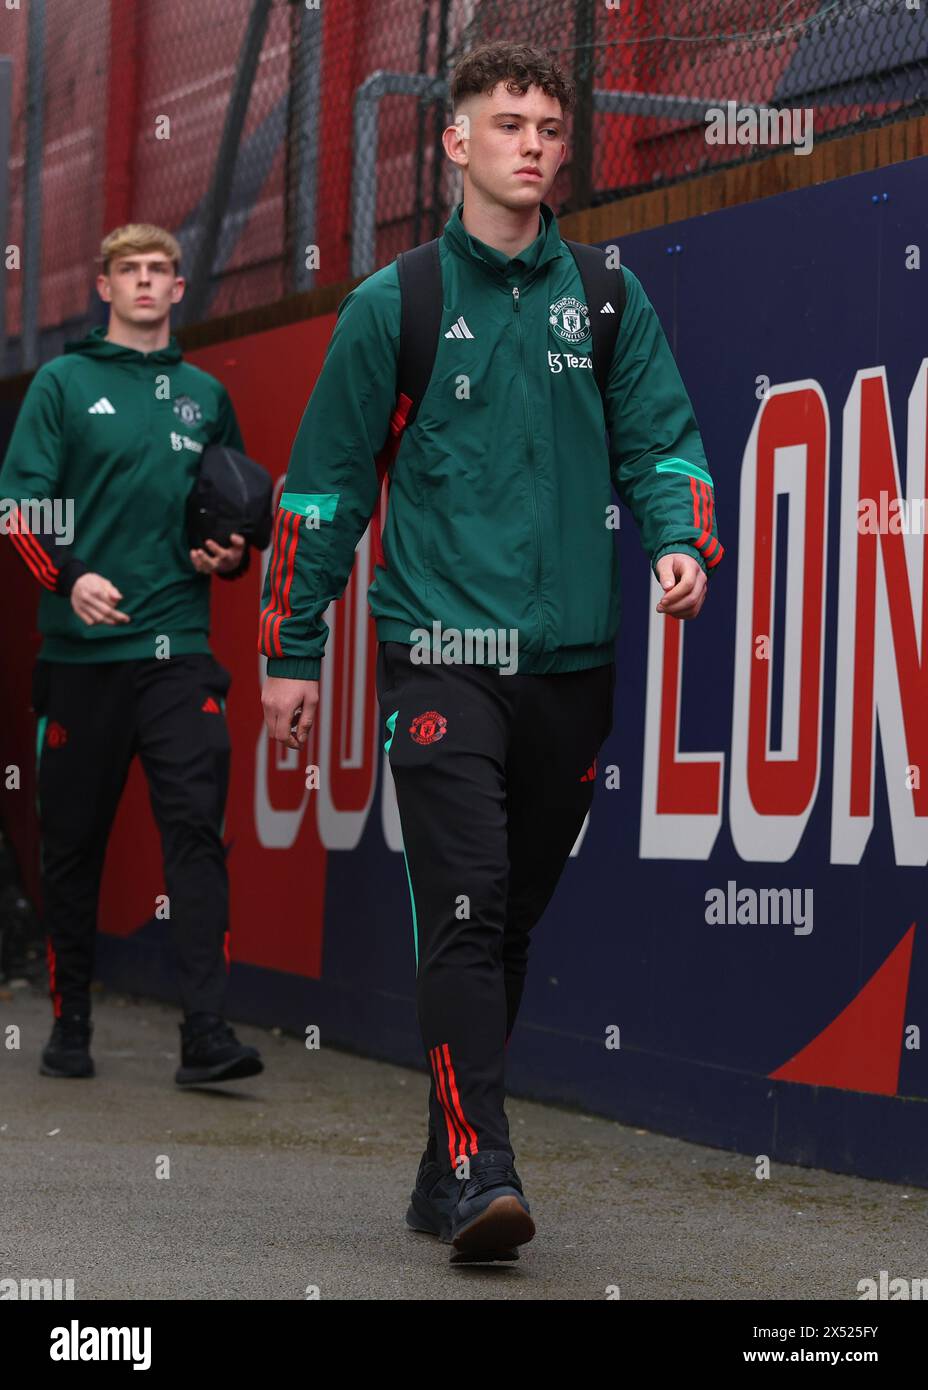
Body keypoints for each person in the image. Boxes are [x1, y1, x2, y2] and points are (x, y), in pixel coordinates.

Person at [260, 42, 723, 1261]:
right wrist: (290, 655)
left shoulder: (610, 297)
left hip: (574, 670)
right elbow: (318, 496)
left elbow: (664, 439)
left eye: (547, 126)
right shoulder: (394, 304)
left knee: (504, 919)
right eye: (505, 121)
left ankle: (438, 1160)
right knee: (463, 912)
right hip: (437, 660)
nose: (532, 142)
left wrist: (679, 538)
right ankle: (482, 1170)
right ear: (454, 143)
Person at [0, 223, 263, 1087]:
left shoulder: (205, 394)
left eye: (161, 271)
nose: (147, 283)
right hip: (81, 654)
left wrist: (229, 554)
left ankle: (206, 1036)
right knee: (73, 845)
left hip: (179, 652)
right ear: (105, 288)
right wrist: (70, 578)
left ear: (180, 289)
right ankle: (70, 1021)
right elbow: (18, 507)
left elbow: (223, 518)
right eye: (131, 271)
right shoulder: (62, 385)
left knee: (196, 829)